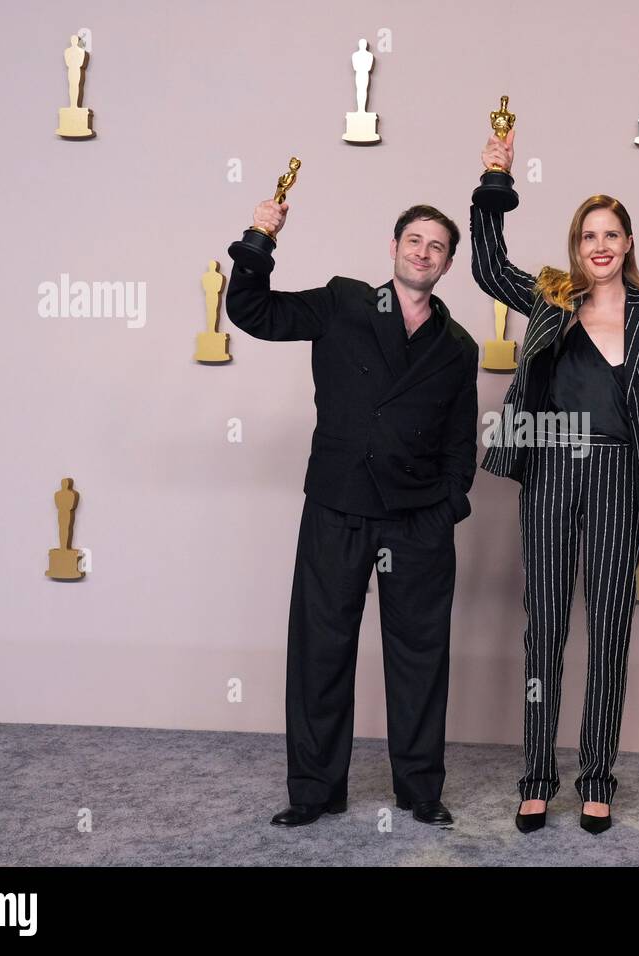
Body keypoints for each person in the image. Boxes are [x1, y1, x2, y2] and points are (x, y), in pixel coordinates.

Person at [470, 130, 639, 834]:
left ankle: (597, 778)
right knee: (546, 630)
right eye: (588, 234)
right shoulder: (551, 296)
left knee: (612, 631)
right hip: (554, 465)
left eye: (611, 233)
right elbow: (487, 265)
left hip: (623, 474)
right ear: (576, 244)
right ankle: (536, 776)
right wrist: (493, 182)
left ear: (627, 243)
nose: (599, 244)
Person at [225, 196, 479, 829]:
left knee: (420, 653)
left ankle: (421, 788)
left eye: (437, 246)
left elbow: (458, 439)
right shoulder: (342, 302)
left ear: (448, 264)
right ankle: (314, 791)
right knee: (320, 649)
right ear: (393, 249)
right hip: (338, 505)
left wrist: (449, 503)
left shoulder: (458, 345)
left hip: (418, 517)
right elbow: (252, 310)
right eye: (414, 241)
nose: (423, 252)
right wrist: (261, 237)